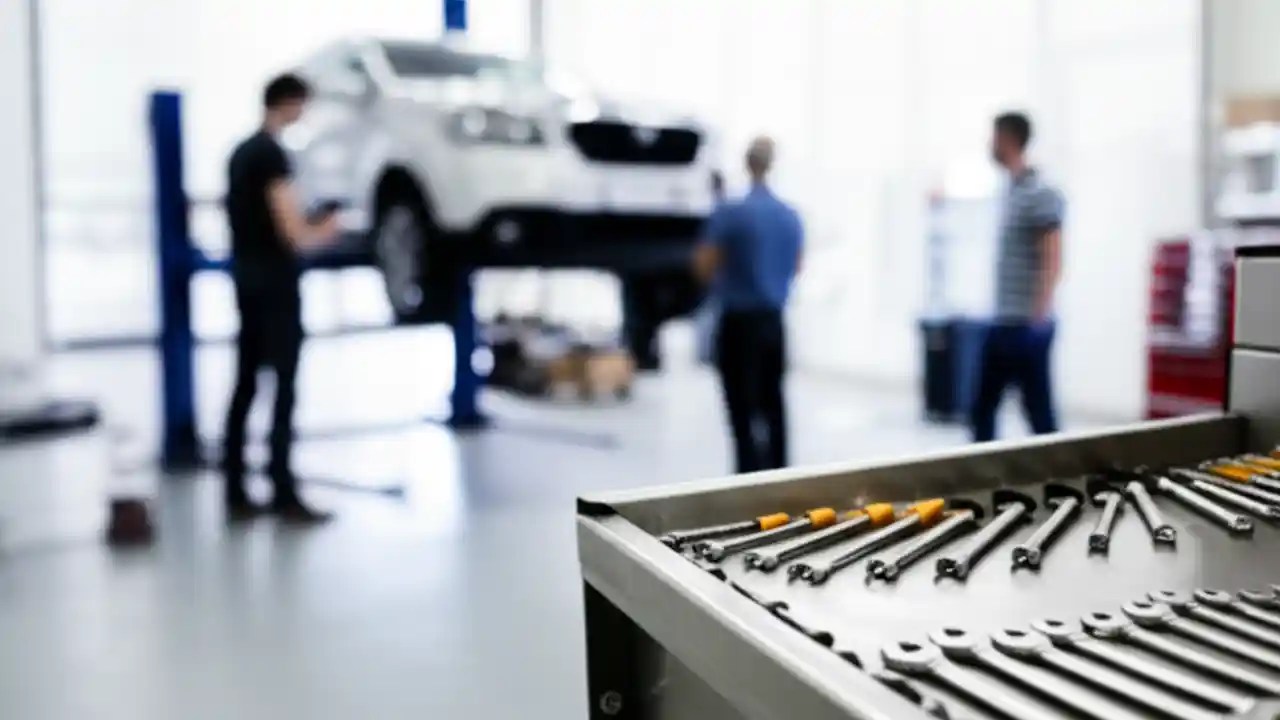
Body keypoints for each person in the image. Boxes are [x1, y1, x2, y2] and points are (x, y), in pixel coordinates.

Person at [222, 73, 340, 521]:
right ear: (288, 103)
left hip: (247, 281)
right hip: (276, 285)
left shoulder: (239, 154)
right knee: (285, 386)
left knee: (246, 383)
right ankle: (283, 491)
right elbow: (294, 234)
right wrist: (326, 231)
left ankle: (235, 490)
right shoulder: (272, 155)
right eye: (302, 106)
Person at [695, 138, 803, 473]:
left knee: (742, 412)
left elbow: (704, 265)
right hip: (774, 321)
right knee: (773, 405)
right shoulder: (790, 217)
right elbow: (797, 266)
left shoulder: (730, 213)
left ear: (746, 163)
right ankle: (780, 479)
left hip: (739, 323)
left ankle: (748, 481)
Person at [969, 112, 1065, 442]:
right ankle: (976, 474)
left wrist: (1039, 315)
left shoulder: (1040, 192)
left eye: (993, 136)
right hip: (1003, 320)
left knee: (1038, 414)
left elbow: (1052, 255)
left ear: (1007, 139)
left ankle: (1058, 472)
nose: (989, 144)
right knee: (982, 409)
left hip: (1025, 325)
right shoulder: (1010, 190)